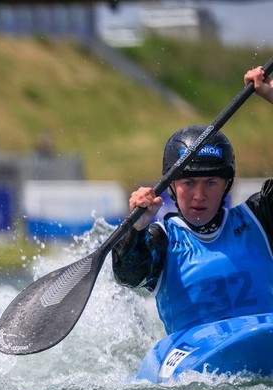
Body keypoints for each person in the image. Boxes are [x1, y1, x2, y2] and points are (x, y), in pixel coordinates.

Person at [112, 65, 273, 337]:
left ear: (226, 185)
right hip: (197, 365)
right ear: (172, 187)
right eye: (188, 183)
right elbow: (128, 276)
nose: (199, 195)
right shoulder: (161, 240)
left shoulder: (261, 218)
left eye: (211, 183)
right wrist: (135, 229)